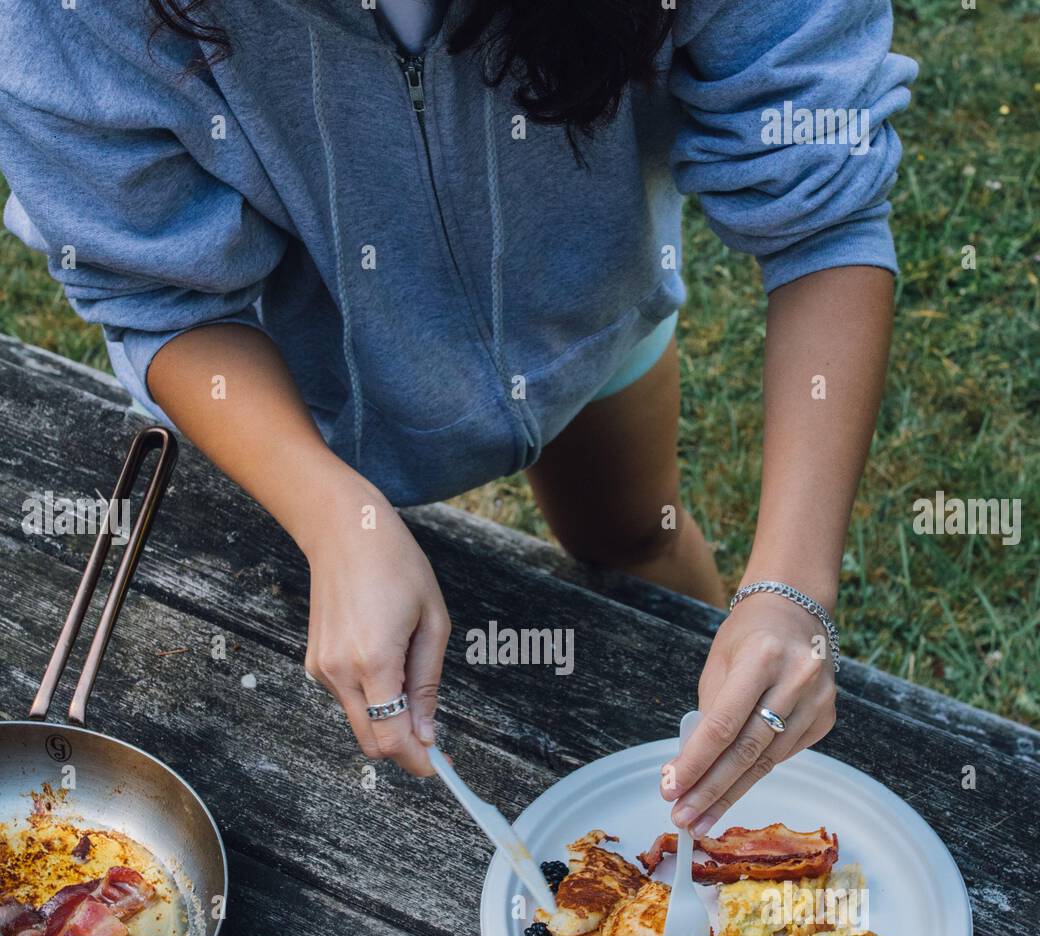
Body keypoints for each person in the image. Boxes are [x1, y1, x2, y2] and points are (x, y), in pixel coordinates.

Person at [0, 0, 916, 833]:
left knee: (637, 532)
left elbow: (823, 218)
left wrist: (791, 590)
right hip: (304, 388)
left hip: (584, 321)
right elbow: (160, 293)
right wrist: (333, 517)